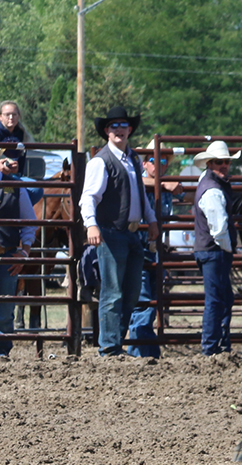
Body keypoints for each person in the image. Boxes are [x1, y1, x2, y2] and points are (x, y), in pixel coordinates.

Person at [78, 106, 159, 357]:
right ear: (106, 131)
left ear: (130, 129)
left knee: (131, 292)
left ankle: (115, 342)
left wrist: (152, 219)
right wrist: (91, 223)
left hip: (132, 233)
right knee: (113, 292)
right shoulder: (101, 161)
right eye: (114, 126)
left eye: (123, 125)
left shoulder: (133, 159)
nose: (119, 130)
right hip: (111, 232)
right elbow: (88, 197)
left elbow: (140, 194)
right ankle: (110, 346)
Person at [0, 134, 36, 358]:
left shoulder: (15, 185)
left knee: (4, 311)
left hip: (8, 254)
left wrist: (25, 252)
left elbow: (29, 221)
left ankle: (0, 353)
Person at [125, 139, 182, 358]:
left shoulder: (164, 187)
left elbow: (182, 193)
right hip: (139, 249)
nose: (158, 164)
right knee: (144, 301)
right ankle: (142, 351)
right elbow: (139, 182)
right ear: (144, 164)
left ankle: (140, 349)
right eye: (153, 160)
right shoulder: (139, 182)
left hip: (154, 251)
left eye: (163, 160)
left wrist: (174, 187)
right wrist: (166, 185)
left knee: (148, 300)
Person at [192, 141, 240, 355]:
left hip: (208, 249)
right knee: (217, 299)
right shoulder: (213, 190)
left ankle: (216, 344)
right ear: (210, 163)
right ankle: (212, 347)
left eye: (226, 162)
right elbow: (219, 228)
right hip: (215, 250)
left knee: (220, 297)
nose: (224, 166)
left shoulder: (207, 182)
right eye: (219, 162)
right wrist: (229, 249)